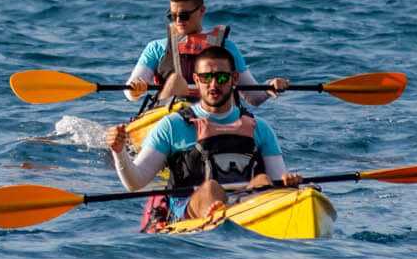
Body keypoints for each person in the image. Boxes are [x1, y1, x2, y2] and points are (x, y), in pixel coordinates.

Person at [108, 39, 303, 229]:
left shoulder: (260, 128)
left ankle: (230, 212)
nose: (213, 85)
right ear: (196, 80)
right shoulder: (172, 125)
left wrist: (287, 184)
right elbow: (135, 182)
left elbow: (278, 181)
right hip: (187, 210)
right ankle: (223, 213)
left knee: (264, 181)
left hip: (245, 202)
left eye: (222, 78)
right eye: (206, 78)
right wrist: (119, 152)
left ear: (235, 79)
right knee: (211, 189)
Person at [121, 0, 290, 110]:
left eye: (184, 15)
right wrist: (136, 88)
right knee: (175, 81)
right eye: (173, 16)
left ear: (202, 11)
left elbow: (254, 98)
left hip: (214, 114)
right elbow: (129, 93)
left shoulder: (226, 48)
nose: (178, 21)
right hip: (168, 115)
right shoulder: (156, 48)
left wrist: (270, 86)